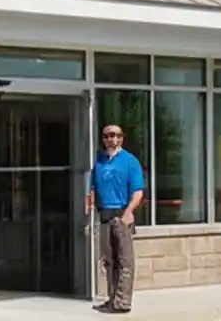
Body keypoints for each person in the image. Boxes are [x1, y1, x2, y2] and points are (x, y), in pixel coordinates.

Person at [86, 123, 144, 314]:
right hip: (104, 216)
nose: (111, 139)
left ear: (121, 138)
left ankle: (122, 303)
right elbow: (93, 187)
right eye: (107, 136)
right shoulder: (99, 162)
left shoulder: (130, 161)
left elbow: (138, 192)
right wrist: (91, 205)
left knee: (124, 261)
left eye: (115, 135)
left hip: (121, 216)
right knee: (108, 261)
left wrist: (128, 213)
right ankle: (112, 299)